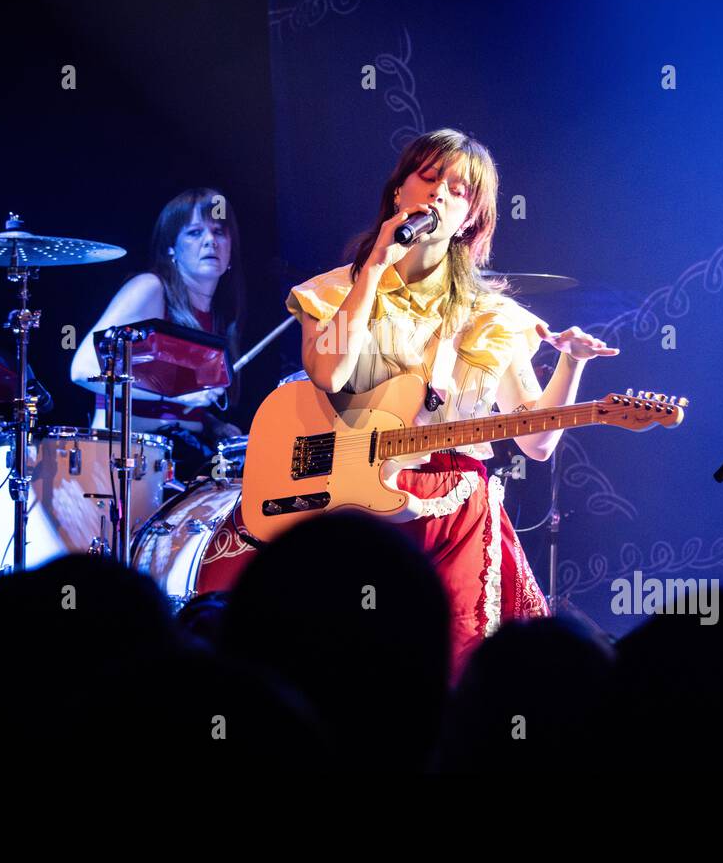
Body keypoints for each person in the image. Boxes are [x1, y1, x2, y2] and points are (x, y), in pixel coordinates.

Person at [285, 128, 621, 674]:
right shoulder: (328, 293)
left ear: (471, 218)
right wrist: (372, 268)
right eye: (430, 176)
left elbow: (536, 442)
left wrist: (572, 362)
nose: (441, 193)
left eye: (460, 189)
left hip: (456, 509)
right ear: (399, 192)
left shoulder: (498, 317)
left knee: (458, 666)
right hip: (357, 505)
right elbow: (329, 371)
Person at [71, 187, 245, 473]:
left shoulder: (216, 315)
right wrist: (176, 394)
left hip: (181, 453)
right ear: (171, 249)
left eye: (219, 232)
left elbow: (178, 407)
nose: (210, 241)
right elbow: (82, 369)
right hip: (126, 462)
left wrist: (213, 424)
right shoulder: (151, 288)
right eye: (194, 232)